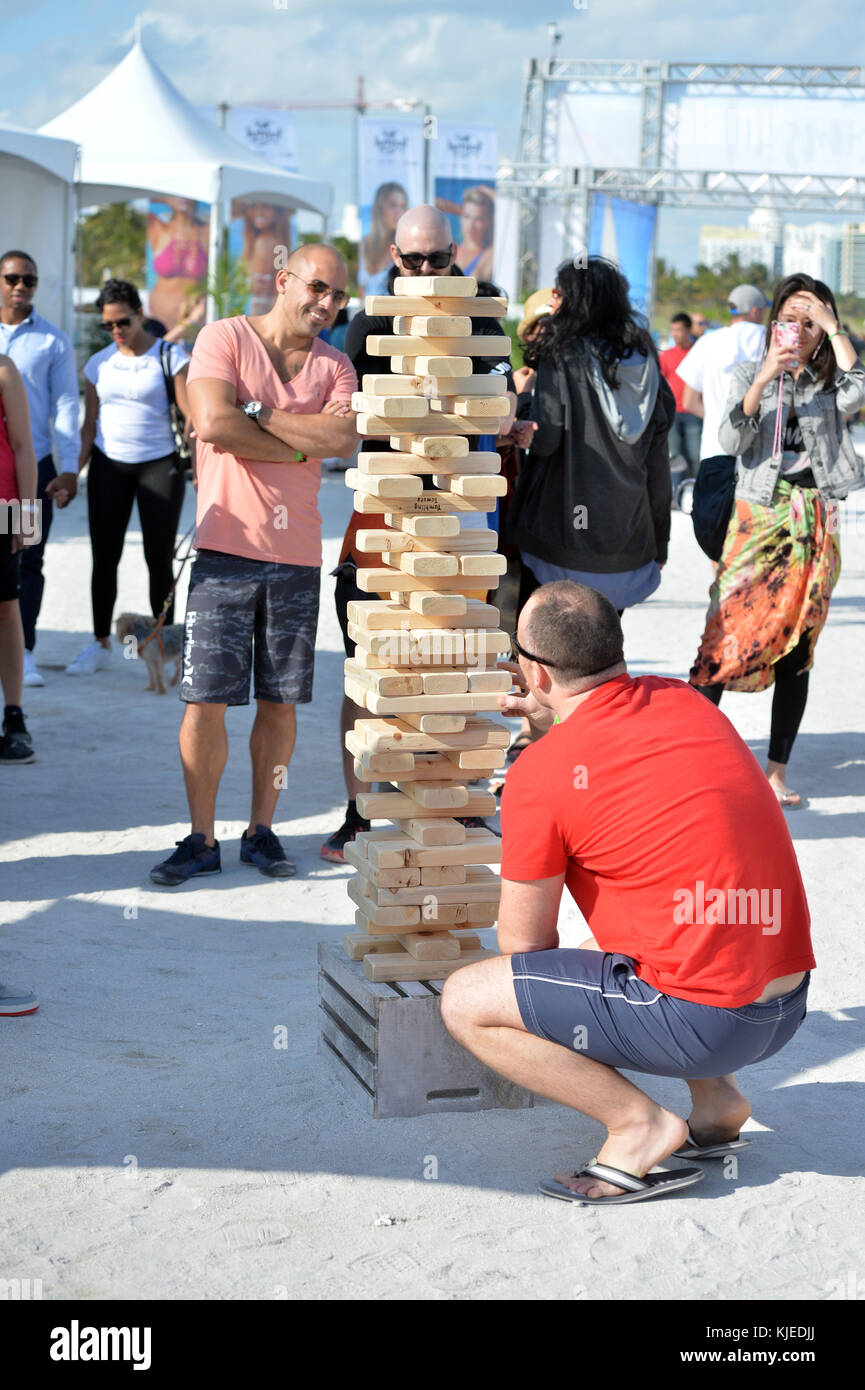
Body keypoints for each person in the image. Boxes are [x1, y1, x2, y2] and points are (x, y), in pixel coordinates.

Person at [440, 580, 814, 1205]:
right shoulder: (687, 701)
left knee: (467, 999)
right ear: (616, 645)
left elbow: (525, 946)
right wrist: (550, 725)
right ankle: (716, 1099)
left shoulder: (541, 774)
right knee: (666, 923)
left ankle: (637, 1126)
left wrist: (542, 750)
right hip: (785, 1005)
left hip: (711, 1025)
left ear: (532, 672)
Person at [150, 244, 357, 886]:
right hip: (223, 549)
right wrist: (299, 441)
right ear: (283, 279)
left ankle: (261, 832)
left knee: (280, 704)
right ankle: (201, 838)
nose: (325, 304)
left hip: (296, 556)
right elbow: (211, 422)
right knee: (204, 703)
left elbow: (341, 440)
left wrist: (260, 413)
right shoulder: (223, 338)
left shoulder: (338, 365)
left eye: (338, 297)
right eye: (317, 288)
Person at [321, 204, 516, 862]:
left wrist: (485, 404)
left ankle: (455, 802)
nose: (428, 271)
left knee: (458, 663)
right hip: (382, 519)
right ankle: (358, 809)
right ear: (393, 254)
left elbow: (503, 398)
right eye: (414, 260)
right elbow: (342, 414)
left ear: (456, 252)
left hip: (459, 519)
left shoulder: (483, 312)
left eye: (439, 259)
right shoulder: (370, 318)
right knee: (368, 669)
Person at [690, 273, 865, 807]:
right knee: (722, 639)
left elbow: (859, 397)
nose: (801, 330)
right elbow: (729, 438)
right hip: (758, 517)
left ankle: (776, 772)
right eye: (791, 319)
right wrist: (764, 379)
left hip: (815, 523)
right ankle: (688, 763)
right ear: (774, 324)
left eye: (812, 322)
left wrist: (837, 331)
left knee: (799, 648)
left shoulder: (832, 382)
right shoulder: (749, 370)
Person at [506, 256, 675, 617]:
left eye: (558, 292)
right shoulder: (645, 358)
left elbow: (546, 438)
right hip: (628, 542)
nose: (552, 300)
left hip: (560, 542)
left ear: (574, 299)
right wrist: (660, 542)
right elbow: (658, 461)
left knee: (548, 648)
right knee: (602, 651)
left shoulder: (561, 352)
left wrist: (522, 400)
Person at [65, 280, 191, 677]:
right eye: (108, 325)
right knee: (105, 557)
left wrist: (204, 472)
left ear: (140, 314)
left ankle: (168, 646)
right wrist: (73, 473)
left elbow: (191, 423)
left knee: (159, 559)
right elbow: (89, 427)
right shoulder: (98, 364)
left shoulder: (170, 356)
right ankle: (100, 643)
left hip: (160, 466)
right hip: (109, 466)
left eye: (123, 321)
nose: (116, 330)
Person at [0, 250, 80, 687]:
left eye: (28, 280)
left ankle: (24, 651)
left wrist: (69, 469)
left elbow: (66, 404)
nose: (20, 286)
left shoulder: (53, 340)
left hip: (31, 468)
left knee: (26, 559)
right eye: (12, 277)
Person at [676, 285, 768, 468]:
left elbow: (688, 401)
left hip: (714, 448)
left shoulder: (707, 342)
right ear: (756, 311)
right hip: (760, 454)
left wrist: (719, 421)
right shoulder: (769, 339)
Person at [0, 352, 38, 762]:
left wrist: (28, 515)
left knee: (6, 609)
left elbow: (23, 444)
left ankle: (13, 715)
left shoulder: (3, 367)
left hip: (2, 506)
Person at [146, 198, 209, 329]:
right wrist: (170, 199)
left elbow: (236, 207)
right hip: (159, 318)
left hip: (194, 322)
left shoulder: (207, 233)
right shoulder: (159, 230)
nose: (183, 198)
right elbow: (141, 192)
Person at [660, 311, 702, 482]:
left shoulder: (699, 352)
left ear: (688, 330)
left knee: (695, 455)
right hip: (673, 413)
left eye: (679, 330)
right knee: (675, 457)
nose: (675, 334)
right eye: (673, 330)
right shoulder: (666, 356)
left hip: (694, 412)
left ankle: (700, 490)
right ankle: (674, 495)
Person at [240, 201, 293, 315]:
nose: (259, 212)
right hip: (274, 305)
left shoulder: (264, 241)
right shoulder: (280, 242)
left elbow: (260, 287)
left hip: (263, 307)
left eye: (265, 206)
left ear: (278, 212)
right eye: (253, 206)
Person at [358, 183, 408, 298]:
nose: (399, 212)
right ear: (380, 208)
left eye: (402, 206)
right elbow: (362, 289)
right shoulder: (365, 244)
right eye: (393, 205)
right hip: (367, 313)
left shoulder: (405, 249)